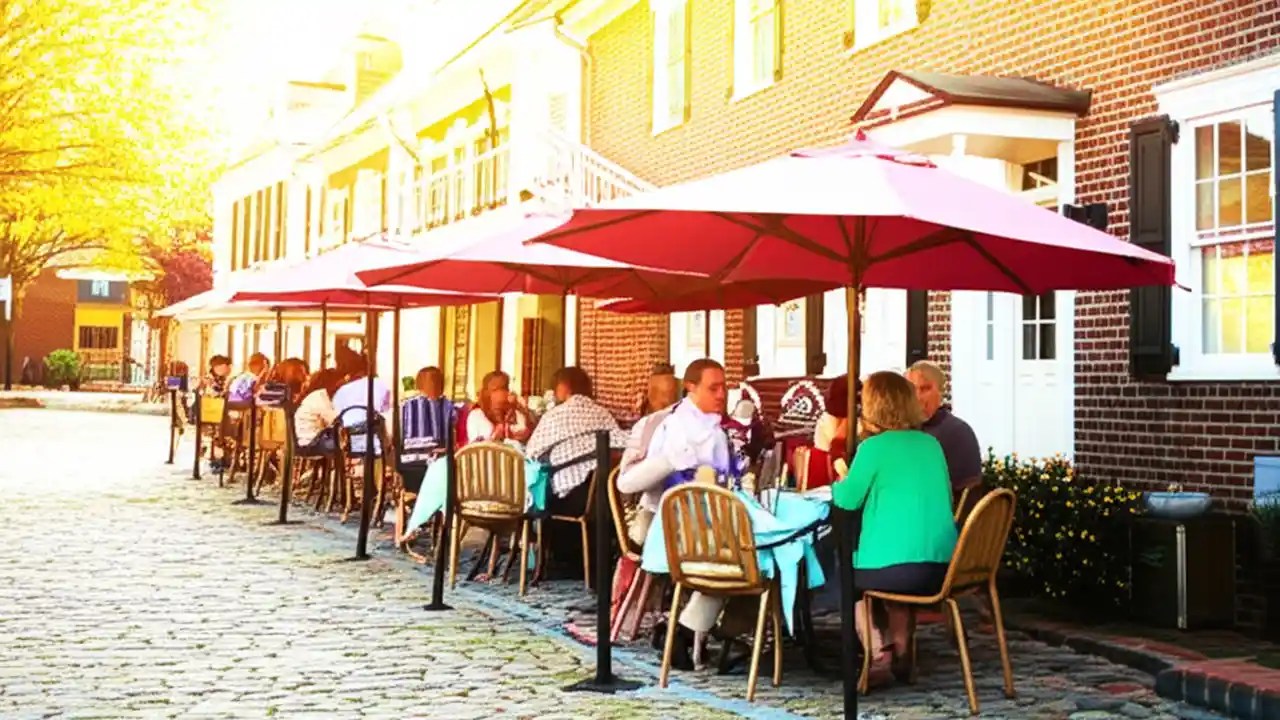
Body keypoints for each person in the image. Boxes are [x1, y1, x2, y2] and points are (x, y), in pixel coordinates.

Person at [832, 371, 957, 683]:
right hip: (943, 568)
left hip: (893, 570)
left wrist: (840, 479)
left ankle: (878, 651)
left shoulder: (873, 448)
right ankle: (902, 648)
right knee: (898, 582)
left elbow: (847, 501)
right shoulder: (932, 445)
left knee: (845, 574)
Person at [618, 359, 735, 669]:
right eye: (714, 388)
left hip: (709, 521)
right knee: (735, 555)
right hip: (665, 523)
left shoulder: (717, 430)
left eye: (724, 387)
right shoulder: (666, 427)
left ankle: (691, 628)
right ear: (691, 388)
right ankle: (690, 629)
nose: (722, 395)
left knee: (749, 550)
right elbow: (625, 483)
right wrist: (669, 462)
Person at [525, 367, 625, 516]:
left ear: (564, 386)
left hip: (569, 496)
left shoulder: (554, 416)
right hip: (609, 496)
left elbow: (532, 453)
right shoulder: (603, 413)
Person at [905, 360, 983, 519]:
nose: (918, 397)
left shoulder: (956, 432)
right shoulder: (904, 431)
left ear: (941, 392)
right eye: (912, 390)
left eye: (925, 389)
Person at [332, 353, 392, 455]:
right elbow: (386, 408)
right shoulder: (379, 384)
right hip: (375, 441)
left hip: (348, 443)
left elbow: (335, 415)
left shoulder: (341, 391)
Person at [465, 371, 531, 445]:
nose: (507, 392)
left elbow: (525, 433)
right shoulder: (476, 415)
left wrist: (521, 409)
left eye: (506, 388)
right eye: (503, 388)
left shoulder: (514, 411)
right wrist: (494, 437)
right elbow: (474, 447)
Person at [295, 368, 343, 447]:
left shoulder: (319, 396)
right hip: (310, 442)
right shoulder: (319, 398)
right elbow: (336, 420)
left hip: (311, 440)